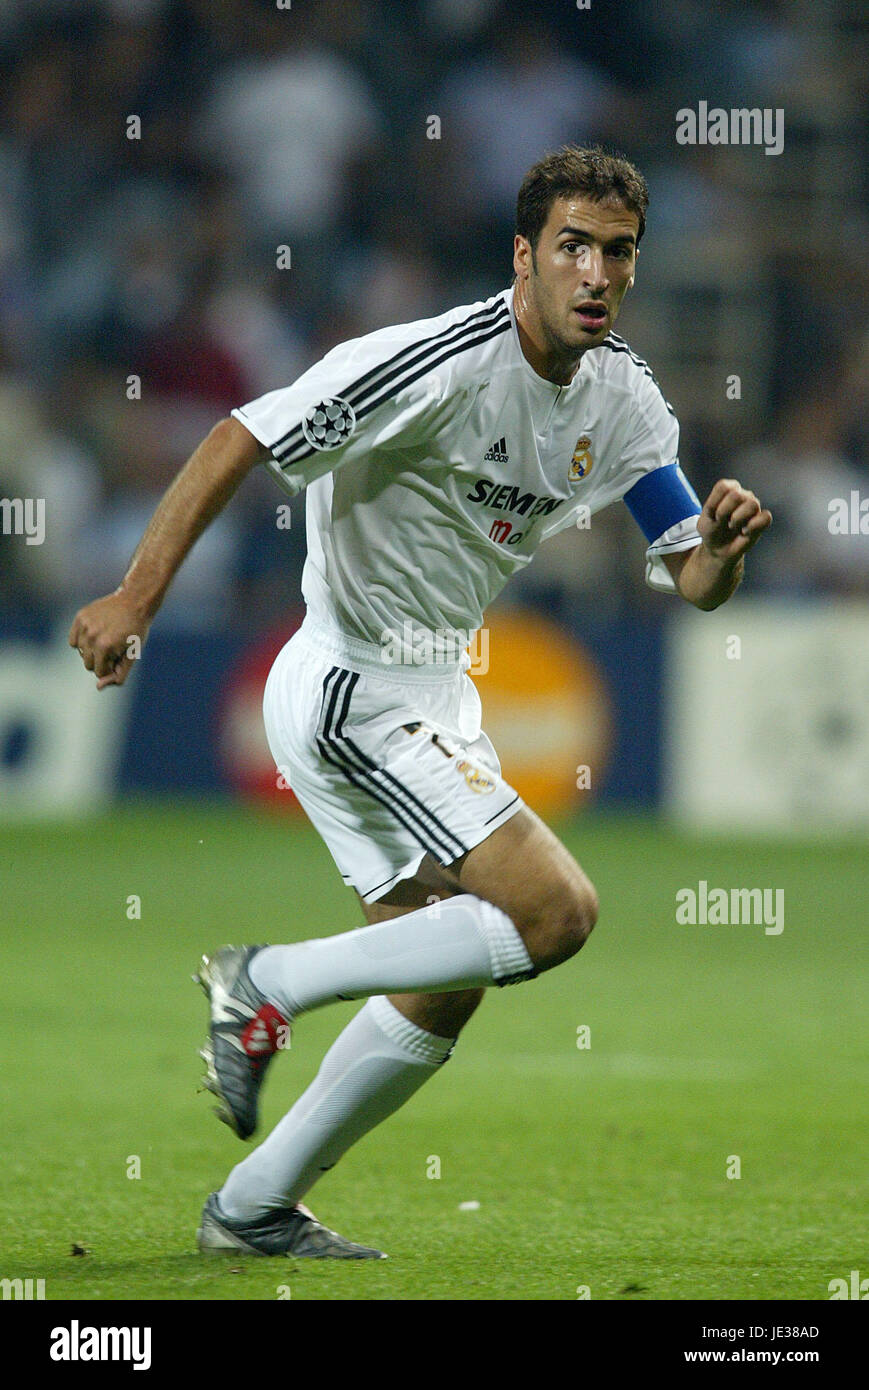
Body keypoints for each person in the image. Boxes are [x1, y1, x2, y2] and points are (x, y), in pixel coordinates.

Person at [70, 145, 772, 1260]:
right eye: (571, 247)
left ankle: (251, 1208)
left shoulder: (624, 399)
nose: (595, 273)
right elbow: (240, 433)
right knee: (556, 914)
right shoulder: (433, 364)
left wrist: (721, 555)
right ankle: (267, 980)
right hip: (351, 685)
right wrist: (136, 598)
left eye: (617, 252)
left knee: (444, 981)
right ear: (523, 256)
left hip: (434, 694)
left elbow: (690, 575)